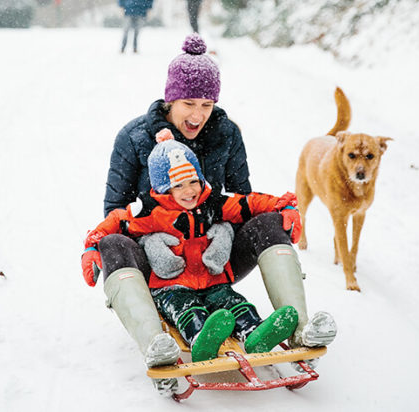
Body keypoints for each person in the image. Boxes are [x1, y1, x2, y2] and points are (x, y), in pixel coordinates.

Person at [82, 33, 335, 390]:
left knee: (266, 223)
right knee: (113, 245)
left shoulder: (225, 133)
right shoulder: (135, 137)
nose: (198, 114)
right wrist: (113, 240)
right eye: (189, 103)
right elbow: (116, 210)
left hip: (213, 257)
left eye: (207, 104)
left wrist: (281, 208)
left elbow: (242, 198)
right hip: (158, 262)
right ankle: (158, 345)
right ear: (171, 99)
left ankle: (299, 335)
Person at [83, 129, 301, 366]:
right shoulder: (149, 211)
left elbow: (249, 203)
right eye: (178, 185)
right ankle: (201, 339)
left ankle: (256, 333)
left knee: (233, 303)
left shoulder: (212, 203)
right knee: (187, 310)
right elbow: (115, 221)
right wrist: (92, 246)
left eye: (193, 182)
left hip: (212, 280)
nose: (189, 191)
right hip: (170, 286)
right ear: (164, 189)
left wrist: (284, 206)